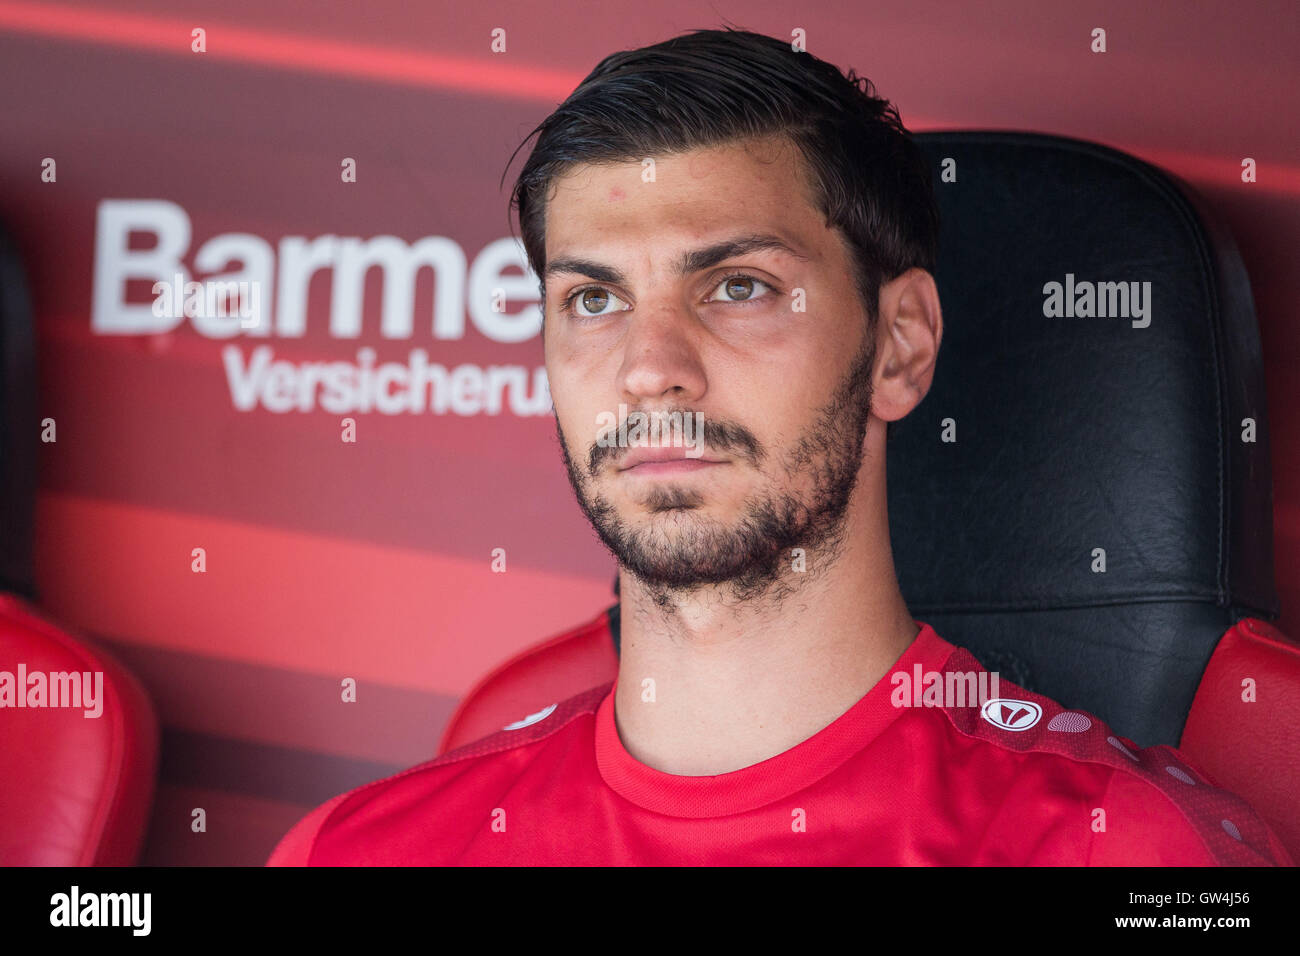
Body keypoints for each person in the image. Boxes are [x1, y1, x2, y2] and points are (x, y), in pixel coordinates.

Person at [267, 27, 1291, 865]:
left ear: (900, 345)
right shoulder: (357, 848)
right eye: (593, 298)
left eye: (738, 286)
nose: (648, 366)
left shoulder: (1121, 854)